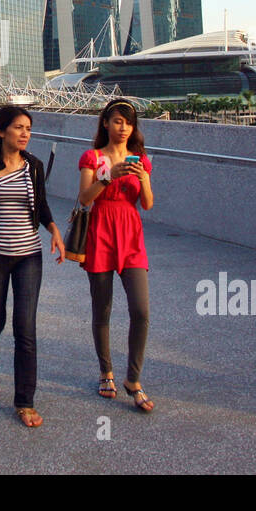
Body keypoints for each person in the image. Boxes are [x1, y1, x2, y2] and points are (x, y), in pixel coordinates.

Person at [0, 106, 66, 427]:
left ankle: (25, 401)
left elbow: (42, 206)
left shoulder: (34, 166)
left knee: (25, 329)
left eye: (28, 129)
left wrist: (54, 230)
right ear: (2, 131)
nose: (25, 133)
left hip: (28, 257)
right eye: (18, 127)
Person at [77, 99, 155, 412]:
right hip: (100, 233)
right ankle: (106, 371)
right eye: (117, 121)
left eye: (128, 122)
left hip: (131, 235)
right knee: (103, 309)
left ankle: (133, 379)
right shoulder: (93, 157)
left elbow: (147, 204)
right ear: (106, 124)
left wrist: (144, 178)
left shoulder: (142, 160)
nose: (123, 128)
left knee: (141, 311)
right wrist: (109, 176)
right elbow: (84, 198)